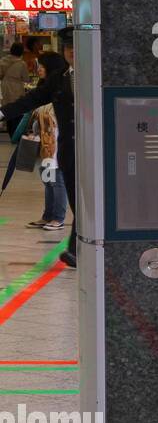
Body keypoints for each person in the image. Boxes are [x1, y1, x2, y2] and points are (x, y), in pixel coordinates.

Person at [0, 49, 76, 267]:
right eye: (68, 48)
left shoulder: (96, 73)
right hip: (65, 150)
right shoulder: (58, 79)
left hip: (92, 150)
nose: (73, 53)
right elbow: (30, 101)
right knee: (74, 200)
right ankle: (75, 247)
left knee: (82, 200)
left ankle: (75, 247)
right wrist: (3, 113)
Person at [30, 96, 66, 231]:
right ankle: (48, 216)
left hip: (54, 152)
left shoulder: (58, 106)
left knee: (56, 184)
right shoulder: (45, 107)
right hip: (46, 152)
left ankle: (58, 218)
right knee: (48, 184)